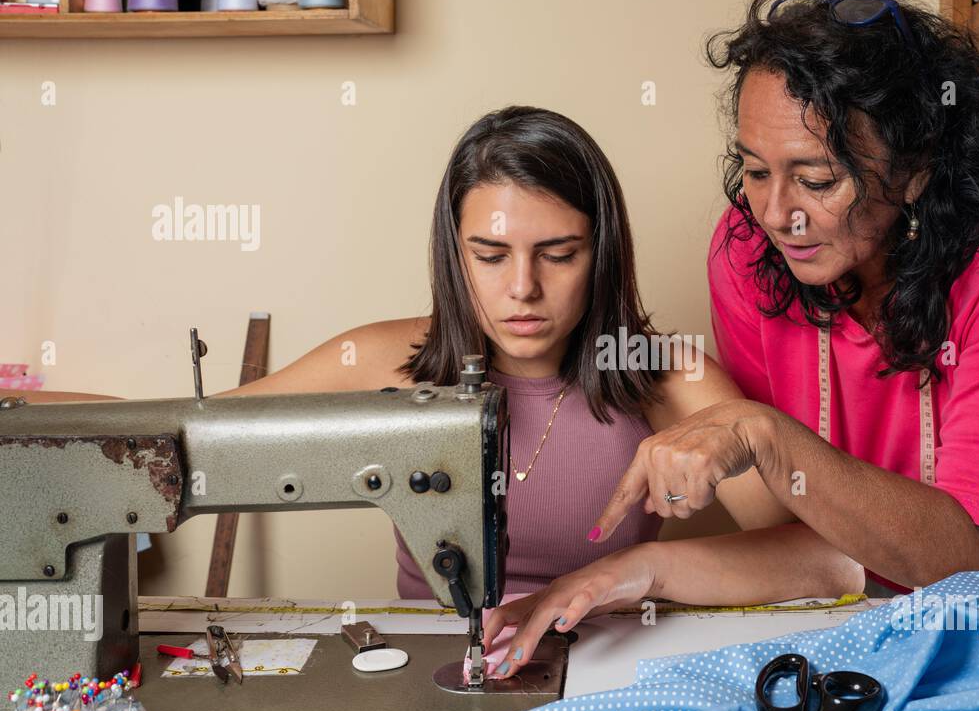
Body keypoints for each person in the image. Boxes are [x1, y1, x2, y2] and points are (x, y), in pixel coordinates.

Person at [487, 0, 979, 675]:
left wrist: (760, 432)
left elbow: (974, 561)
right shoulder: (750, 251)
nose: (775, 211)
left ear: (916, 167)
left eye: (818, 179)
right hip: (901, 563)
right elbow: (813, 533)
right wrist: (630, 572)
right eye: (755, 170)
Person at [13, 105, 865, 623]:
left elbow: (828, 561)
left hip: (613, 661)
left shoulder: (663, 373)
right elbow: (184, 433)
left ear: (602, 251)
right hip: (436, 657)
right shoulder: (390, 358)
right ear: (452, 252)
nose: (521, 289)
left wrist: (633, 573)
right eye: (489, 255)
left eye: (558, 253)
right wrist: (20, 428)